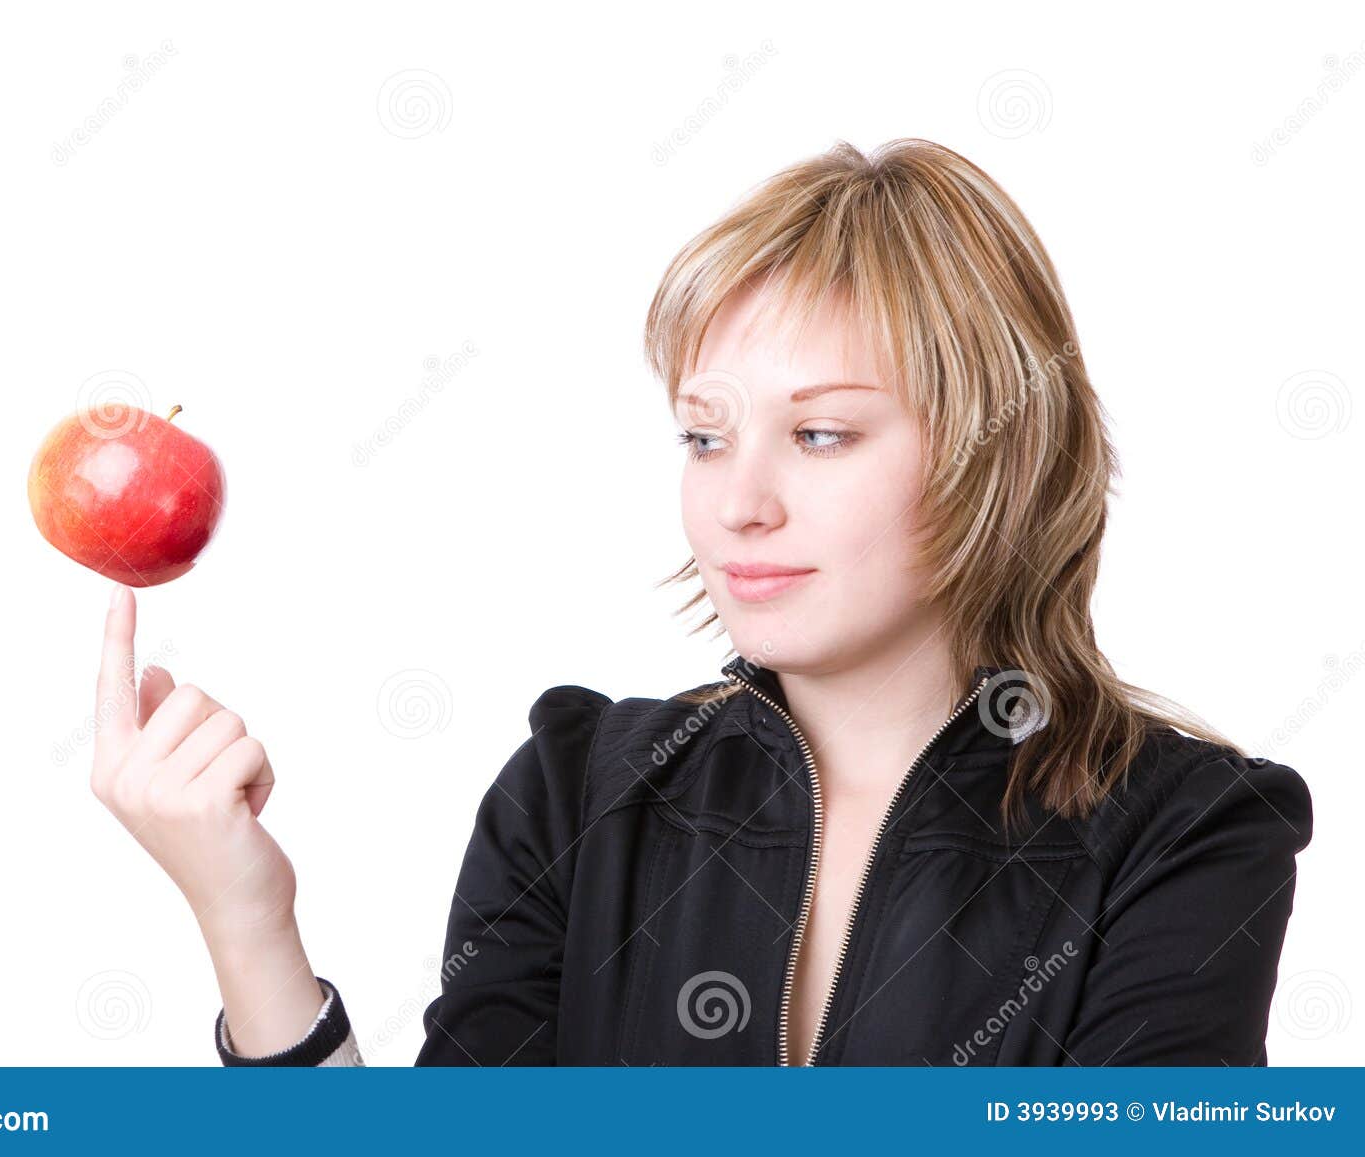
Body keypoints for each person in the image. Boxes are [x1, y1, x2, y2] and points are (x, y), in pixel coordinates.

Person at [88, 138, 1313, 1066]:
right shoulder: (577, 791)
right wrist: (248, 920)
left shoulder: (1188, 833)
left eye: (821, 434)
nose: (738, 504)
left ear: (996, 452)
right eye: (704, 435)